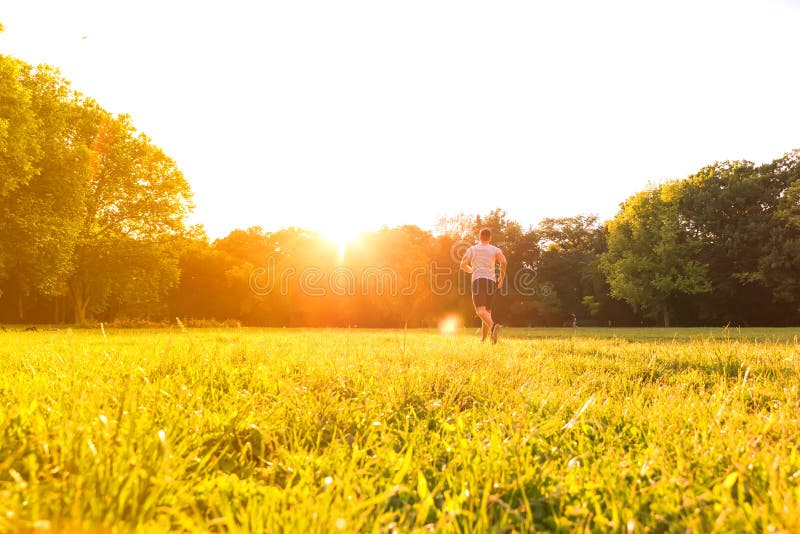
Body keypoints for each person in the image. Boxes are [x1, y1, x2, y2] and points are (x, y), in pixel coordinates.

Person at [460, 228, 507, 344]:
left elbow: (462, 265)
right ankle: (484, 339)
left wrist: (470, 270)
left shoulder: (473, 249)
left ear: (479, 237)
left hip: (478, 280)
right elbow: (504, 262)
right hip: (491, 282)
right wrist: (501, 277)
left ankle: (493, 326)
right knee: (487, 312)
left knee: (480, 311)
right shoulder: (495, 250)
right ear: (490, 238)